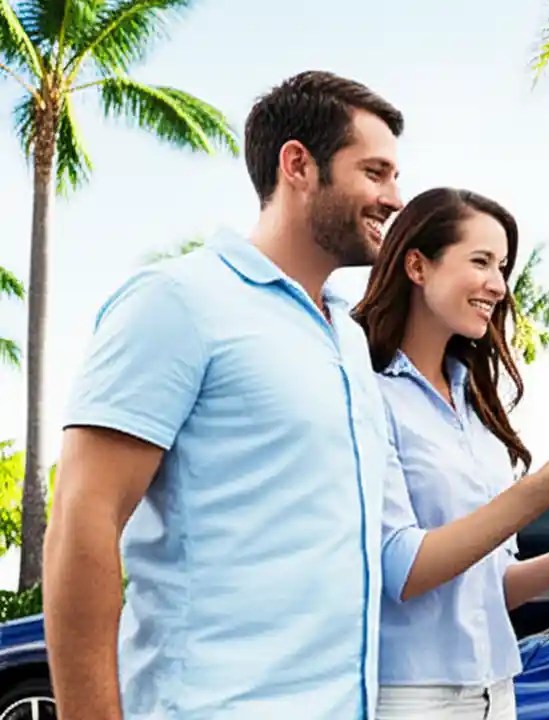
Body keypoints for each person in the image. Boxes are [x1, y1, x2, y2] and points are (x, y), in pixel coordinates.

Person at [43, 69, 405, 719]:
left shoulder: (348, 339)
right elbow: (82, 518)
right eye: (375, 173)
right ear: (298, 165)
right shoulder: (180, 300)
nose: (395, 197)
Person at [351, 187, 549, 720]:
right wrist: (538, 492)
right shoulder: (368, 395)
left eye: (504, 266)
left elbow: (497, 588)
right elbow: (403, 570)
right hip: (407, 698)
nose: (498, 284)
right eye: (481, 261)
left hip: (496, 692)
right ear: (417, 266)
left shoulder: (476, 409)